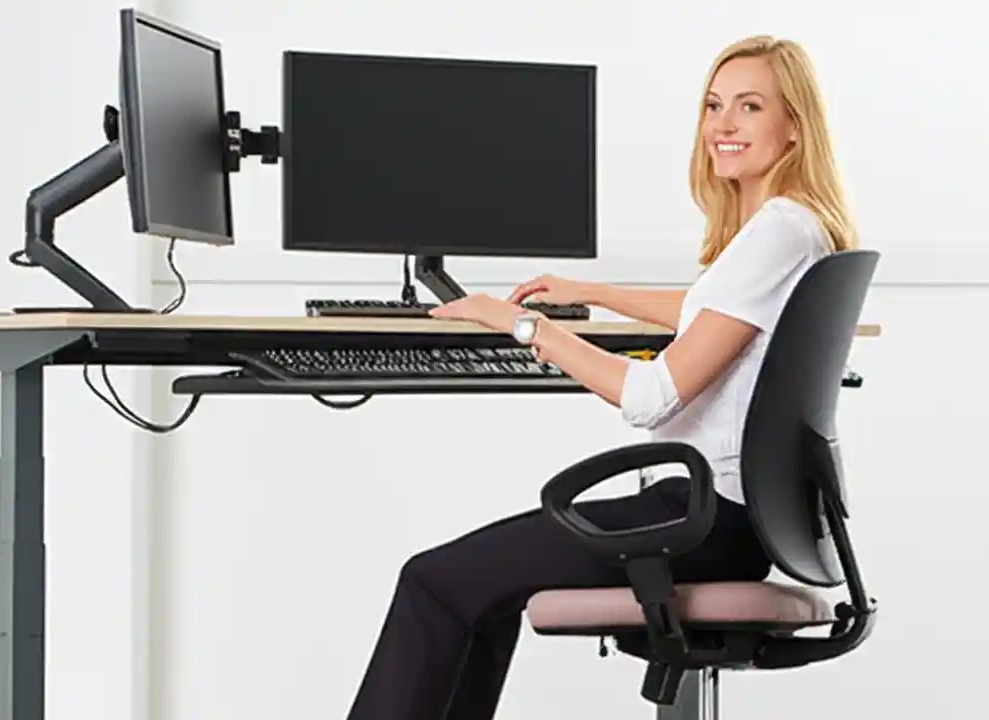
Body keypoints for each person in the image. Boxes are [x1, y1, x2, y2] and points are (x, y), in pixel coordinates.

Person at [344, 35, 859, 720]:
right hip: (732, 518)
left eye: (749, 106)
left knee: (434, 583)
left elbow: (650, 398)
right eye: (713, 106)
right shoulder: (794, 228)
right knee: (481, 593)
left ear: (794, 125)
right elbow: (712, 309)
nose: (723, 126)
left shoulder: (776, 232)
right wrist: (593, 292)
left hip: (698, 521)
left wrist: (525, 326)